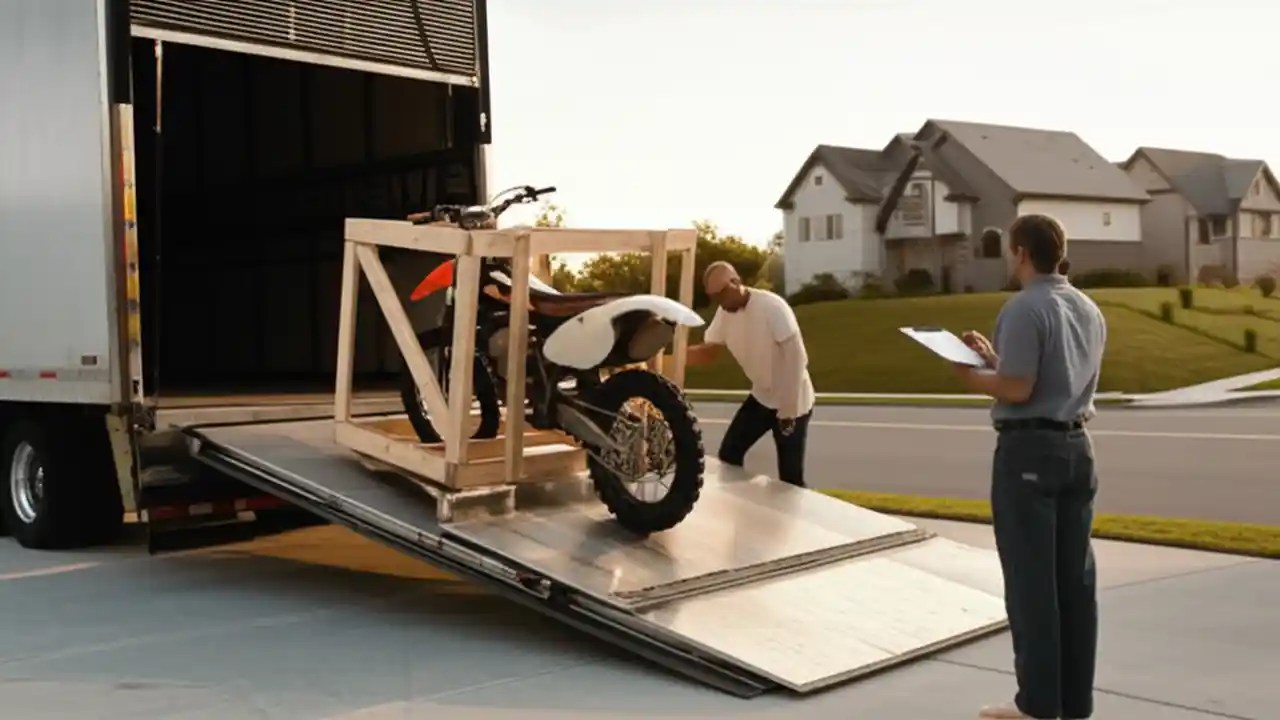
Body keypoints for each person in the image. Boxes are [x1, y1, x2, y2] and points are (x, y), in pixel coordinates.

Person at [952, 214, 1106, 720]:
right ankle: (1073, 705)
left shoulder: (1024, 307)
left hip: (1027, 455)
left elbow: (1018, 389)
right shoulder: (1085, 307)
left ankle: (1037, 707)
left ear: (1020, 252)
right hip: (1077, 450)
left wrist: (968, 375)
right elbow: (1045, 375)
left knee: (1031, 587)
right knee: (1074, 587)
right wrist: (995, 358)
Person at [684, 261, 815, 487]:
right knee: (729, 455)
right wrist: (666, 359)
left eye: (723, 293)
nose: (721, 302)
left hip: (794, 400)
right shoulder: (724, 313)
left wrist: (788, 410)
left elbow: (796, 358)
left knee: (791, 478)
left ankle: (792, 519)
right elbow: (709, 352)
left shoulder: (772, 307)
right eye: (714, 297)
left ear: (736, 282)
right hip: (762, 397)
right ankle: (749, 507)